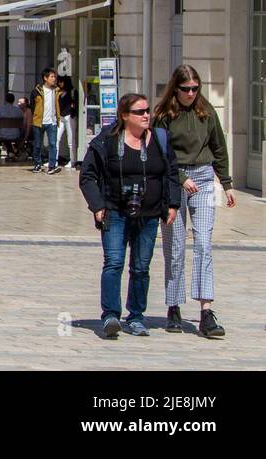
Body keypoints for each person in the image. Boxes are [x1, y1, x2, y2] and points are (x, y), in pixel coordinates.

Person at [79, 93, 179, 339]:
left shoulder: (160, 140)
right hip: (115, 211)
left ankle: (136, 317)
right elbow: (88, 175)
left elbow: (172, 174)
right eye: (140, 112)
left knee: (141, 267)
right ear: (125, 116)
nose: (146, 115)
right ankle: (111, 315)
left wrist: (172, 204)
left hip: (149, 213)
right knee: (114, 263)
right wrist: (98, 206)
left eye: (147, 111)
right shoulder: (108, 141)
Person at [155, 65, 235, 338]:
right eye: (186, 89)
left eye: (195, 89)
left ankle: (205, 311)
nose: (191, 94)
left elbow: (218, 146)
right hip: (173, 180)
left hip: (202, 177)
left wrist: (226, 183)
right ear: (175, 89)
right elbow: (159, 152)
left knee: (203, 243)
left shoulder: (206, 111)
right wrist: (178, 177)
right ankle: (174, 306)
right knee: (175, 247)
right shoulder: (163, 115)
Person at [31, 68, 64, 174]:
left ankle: (52, 166)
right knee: (38, 144)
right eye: (52, 77)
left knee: (53, 143)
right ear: (45, 78)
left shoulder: (57, 90)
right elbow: (32, 105)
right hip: (39, 121)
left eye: (55, 77)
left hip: (52, 121)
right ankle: (37, 164)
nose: (54, 79)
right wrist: (34, 116)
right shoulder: (37, 91)